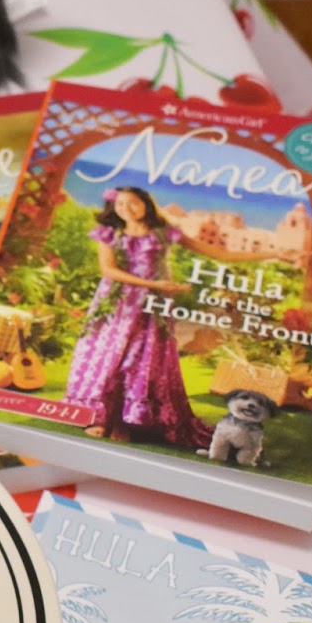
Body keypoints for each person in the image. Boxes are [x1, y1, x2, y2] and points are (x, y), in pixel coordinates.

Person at [62, 186, 210, 449]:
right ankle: (100, 418)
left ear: (146, 204)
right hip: (117, 302)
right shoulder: (110, 233)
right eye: (120, 204)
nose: (126, 209)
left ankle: (124, 422)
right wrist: (154, 284)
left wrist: (274, 254)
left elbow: (214, 252)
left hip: (153, 305)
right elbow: (109, 270)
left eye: (133, 203)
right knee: (109, 355)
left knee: (142, 358)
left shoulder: (164, 233)